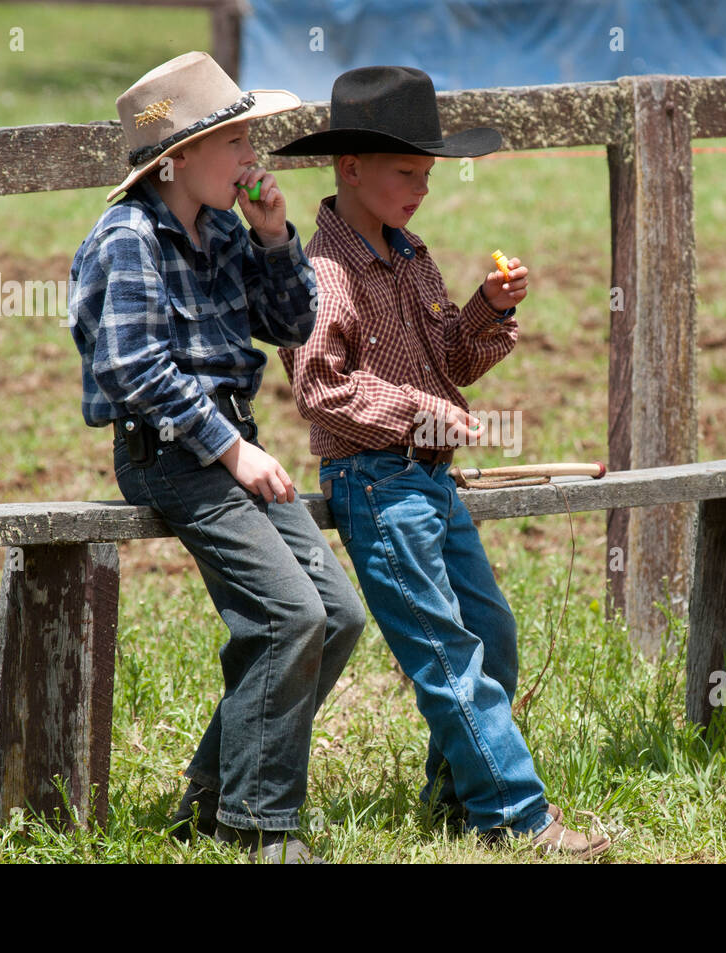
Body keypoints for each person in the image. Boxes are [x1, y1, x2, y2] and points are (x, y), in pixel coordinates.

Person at [274, 66, 610, 860]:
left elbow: (451, 359)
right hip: (376, 484)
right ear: (349, 167)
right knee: (446, 651)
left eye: (427, 175)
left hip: (427, 480)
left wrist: (489, 306)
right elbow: (320, 388)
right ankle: (520, 815)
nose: (421, 190)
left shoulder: (411, 254)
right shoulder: (323, 273)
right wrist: (421, 414)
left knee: (489, 630)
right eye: (406, 173)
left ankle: (457, 798)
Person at [67, 51, 365, 864]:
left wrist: (275, 240)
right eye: (235, 142)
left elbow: (293, 324)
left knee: (337, 614)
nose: (251, 159)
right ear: (176, 158)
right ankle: (262, 823)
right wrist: (231, 450)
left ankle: (210, 790)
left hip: (230, 445)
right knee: (288, 615)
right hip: (171, 452)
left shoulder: (228, 229)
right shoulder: (127, 240)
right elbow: (134, 371)